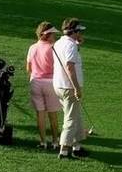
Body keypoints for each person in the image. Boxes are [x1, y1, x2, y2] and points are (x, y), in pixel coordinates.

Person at [51, 17, 87, 159]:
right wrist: (76, 87)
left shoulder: (59, 43)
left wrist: (78, 45)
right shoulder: (71, 46)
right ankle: (64, 150)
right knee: (71, 119)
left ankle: (76, 146)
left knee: (76, 115)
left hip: (59, 85)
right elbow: (70, 67)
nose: (81, 34)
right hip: (68, 86)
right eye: (79, 32)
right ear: (75, 31)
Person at [25, 22, 62, 149]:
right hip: (50, 82)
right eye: (53, 34)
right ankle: (55, 142)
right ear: (47, 35)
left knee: (40, 114)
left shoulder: (32, 47)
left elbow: (28, 68)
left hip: (35, 82)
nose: (54, 37)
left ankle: (43, 142)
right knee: (52, 114)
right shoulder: (53, 48)